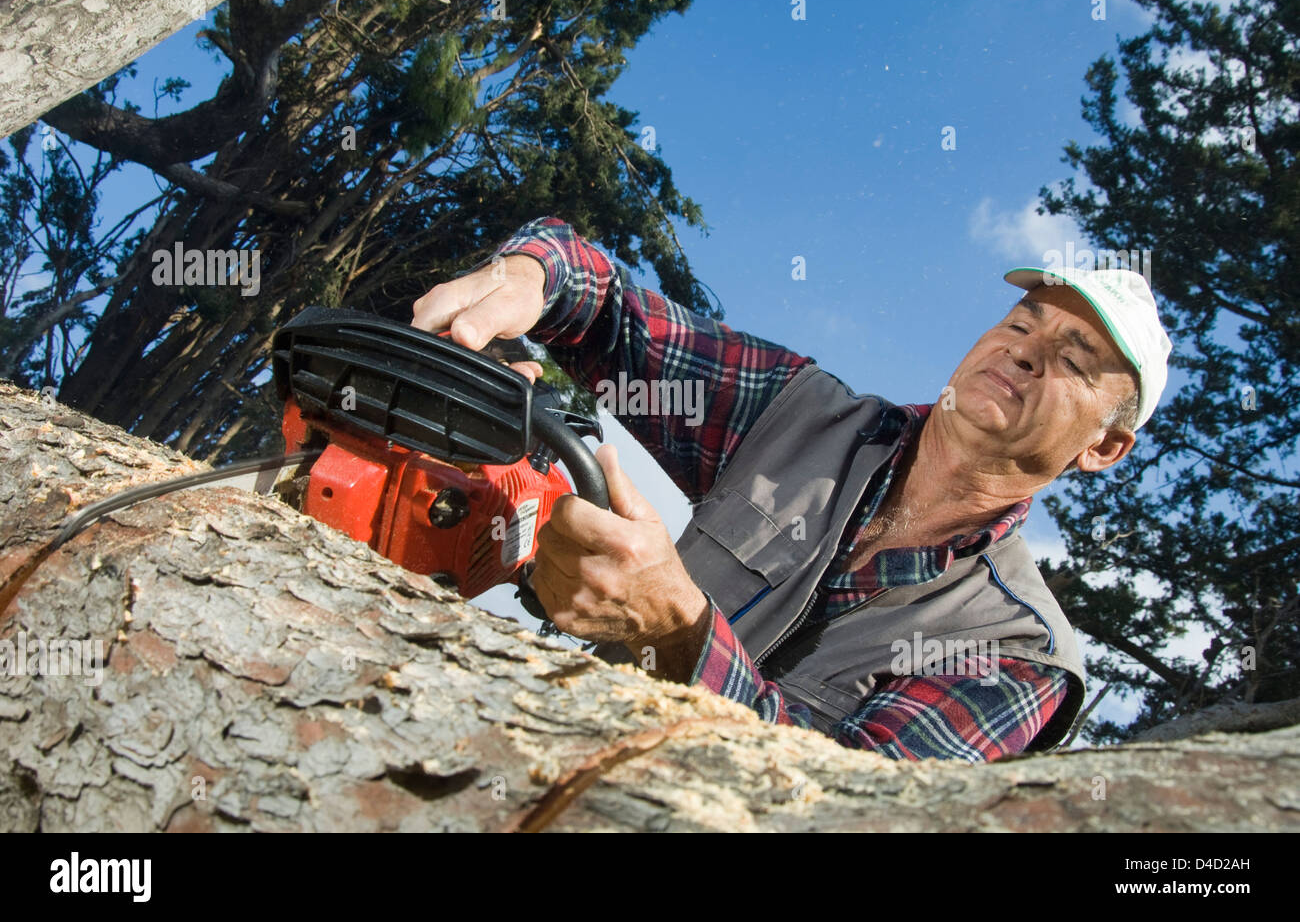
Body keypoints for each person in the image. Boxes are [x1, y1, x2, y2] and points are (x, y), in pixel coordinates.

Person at [410, 216, 1172, 762]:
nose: (1026, 353)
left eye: (1073, 360)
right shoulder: (797, 409)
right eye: (1020, 324)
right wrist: (531, 276)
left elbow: (847, 811)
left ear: (1104, 446)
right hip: (520, 761)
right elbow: (612, 313)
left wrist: (681, 629)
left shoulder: (1023, 653)